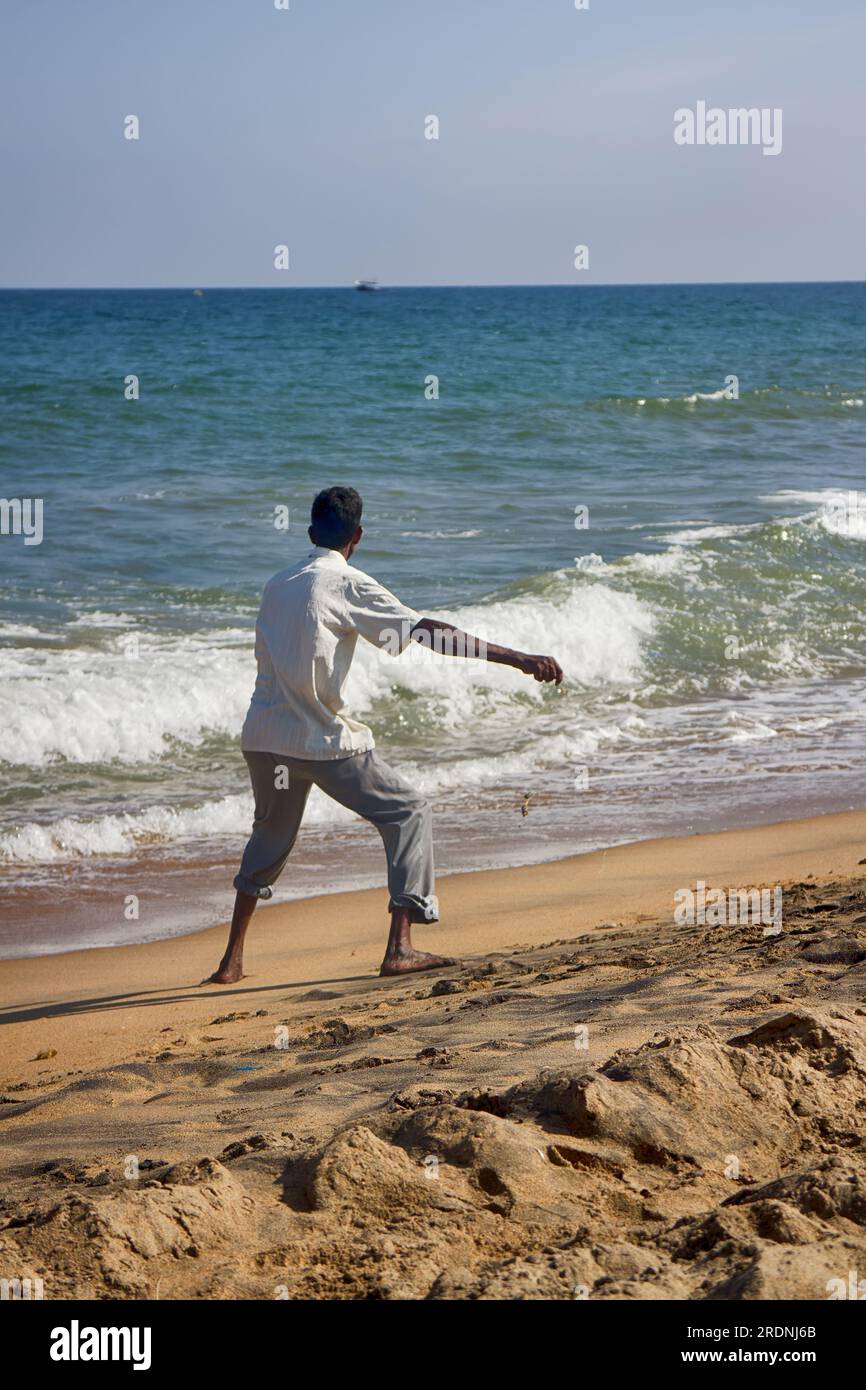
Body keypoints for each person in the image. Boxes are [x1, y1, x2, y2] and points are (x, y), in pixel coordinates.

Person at [210, 486, 563, 983]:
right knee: (407, 810)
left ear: (311, 533)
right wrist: (517, 659)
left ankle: (231, 962)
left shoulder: (277, 582)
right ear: (358, 536)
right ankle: (400, 948)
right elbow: (426, 632)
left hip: (265, 739)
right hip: (321, 741)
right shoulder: (346, 583)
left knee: (268, 837)